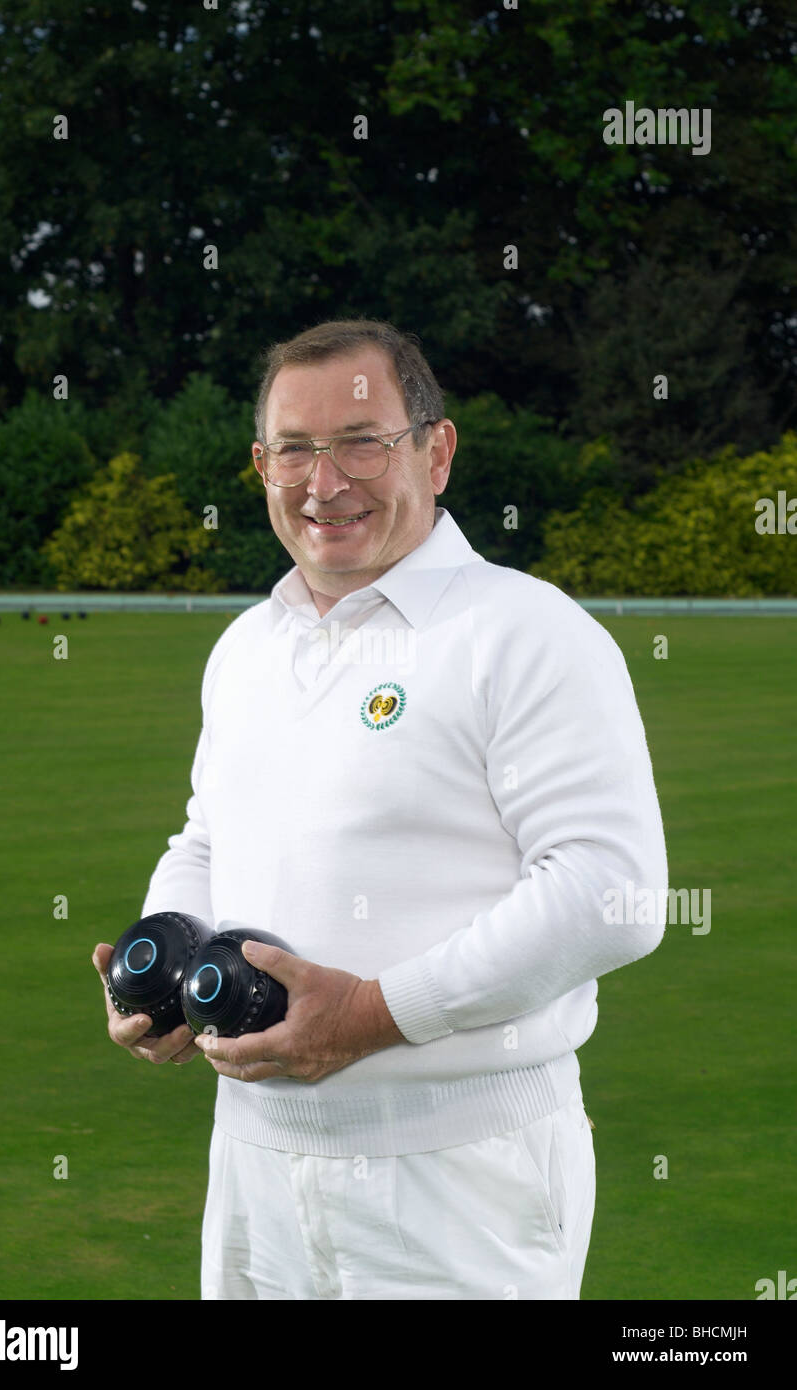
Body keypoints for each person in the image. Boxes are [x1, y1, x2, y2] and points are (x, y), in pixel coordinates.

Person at [92, 318, 668, 1301]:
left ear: (436, 452)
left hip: (460, 1174)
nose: (326, 482)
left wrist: (370, 1014)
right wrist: (165, 959)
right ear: (259, 464)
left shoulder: (529, 634)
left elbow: (611, 890)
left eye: (363, 441)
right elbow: (205, 839)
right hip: (254, 1166)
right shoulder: (246, 646)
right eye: (295, 449)